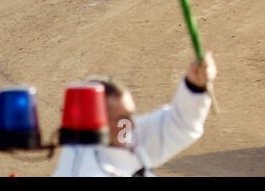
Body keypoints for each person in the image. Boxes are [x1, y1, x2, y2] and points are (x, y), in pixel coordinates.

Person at [52, 53, 216, 177]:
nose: (133, 124)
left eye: (131, 115)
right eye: (122, 118)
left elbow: (178, 123)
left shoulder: (123, 137)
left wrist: (195, 86)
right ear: (96, 124)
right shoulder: (88, 171)